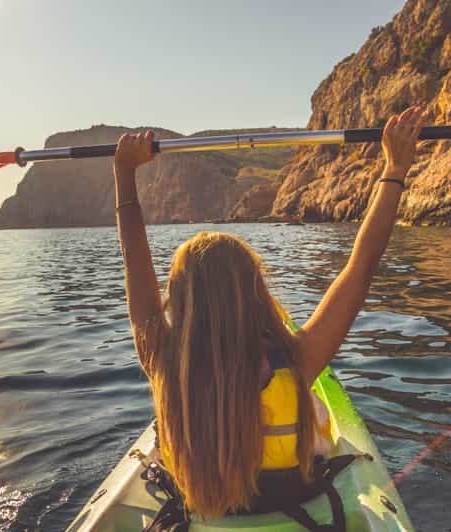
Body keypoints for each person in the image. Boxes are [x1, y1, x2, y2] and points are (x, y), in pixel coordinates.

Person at [112, 106, 428, 520]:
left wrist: (124, 174)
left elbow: (133, 260)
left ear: (181, 301)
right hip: (294, 510)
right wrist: (395, 167)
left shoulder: (161, 358)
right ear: (255, 294)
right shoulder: (298, 359)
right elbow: (361, 266)